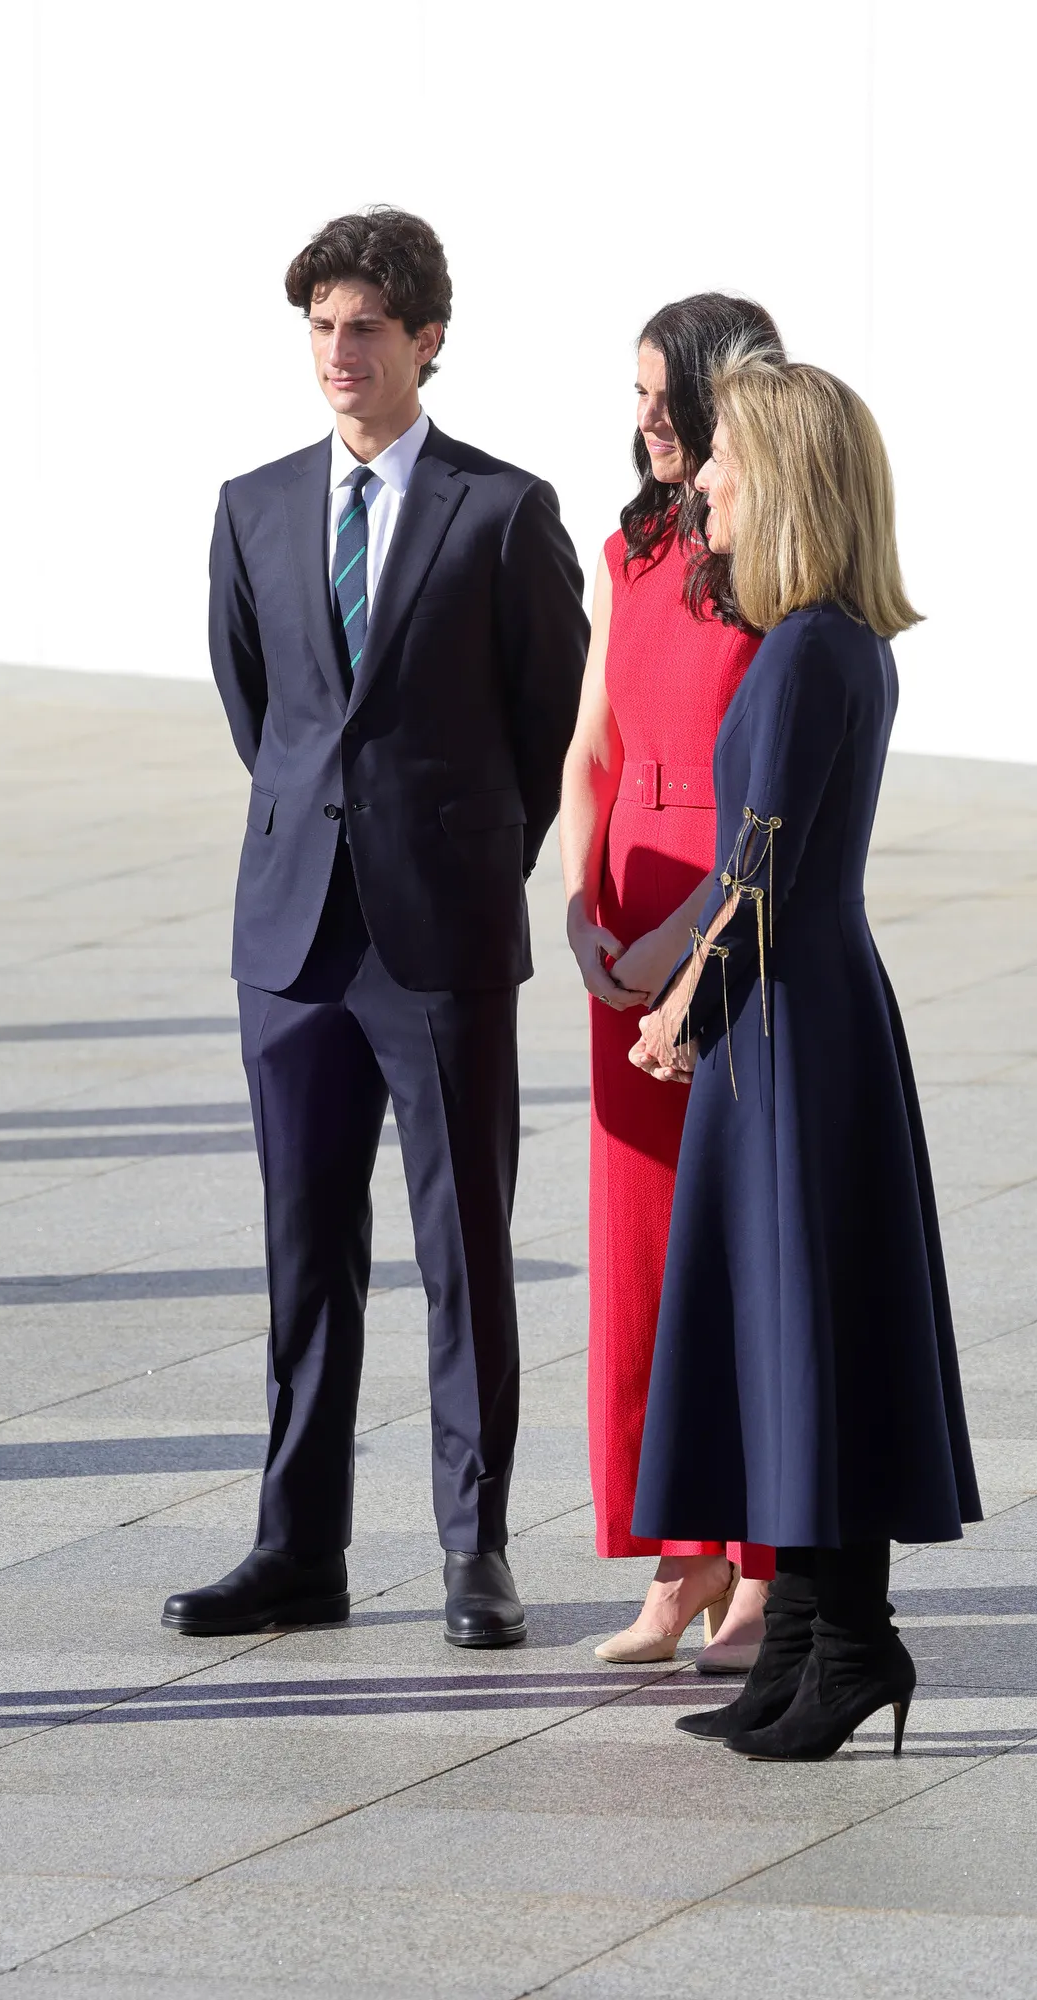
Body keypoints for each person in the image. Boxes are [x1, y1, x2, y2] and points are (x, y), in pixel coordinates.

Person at [163, 207, 590, 1648]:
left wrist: (465, 860)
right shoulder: (253, 504)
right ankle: (299, 1551)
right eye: (321, 329)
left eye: (365, 330)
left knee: (465, 1248)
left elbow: (544, 732)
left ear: (427, 343)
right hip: (292, 947)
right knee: (305, 1255)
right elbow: (263, 713)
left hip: (440, 938)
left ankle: (477, 1552)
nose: (338, 354)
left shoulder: (504, 510)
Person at [629, 352, 981, 1759]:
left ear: (771, 477)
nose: (700, 478)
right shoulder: (834, 644)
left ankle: (847, 1647)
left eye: (720, 460)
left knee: (805, 1326)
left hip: (787, 1023)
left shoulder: (803, 653)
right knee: (793, 1328)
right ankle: (810, 1645)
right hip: (804, 1016)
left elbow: (758, 873)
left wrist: (683, 1011)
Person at [558, 296, 782, 1673]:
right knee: (639, 1257)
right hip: (625, 908)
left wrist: (682, 949)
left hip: (728, 919)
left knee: (739, 1251)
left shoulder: (771, 554)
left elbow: (768, 794)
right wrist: (581, 901)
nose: (646, 419)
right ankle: (676, 1556)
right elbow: (592, 736)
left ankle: (763, 1567)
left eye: (667, 396)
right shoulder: (631, 547)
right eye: (635, 394)